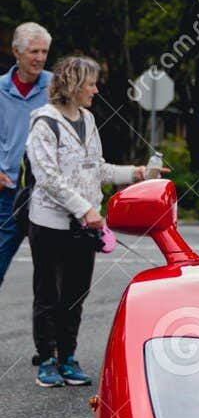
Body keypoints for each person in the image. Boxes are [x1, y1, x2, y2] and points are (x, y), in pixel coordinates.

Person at [25, 55, 154, 388]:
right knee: (48, 295)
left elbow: (96, 168)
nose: (96, 90)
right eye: (91, 83)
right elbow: (48, 178)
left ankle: (68, 356)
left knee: (75, 295)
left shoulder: (88, 119)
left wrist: (136, 173)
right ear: (73, 84)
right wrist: (85, 208)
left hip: (85, 227)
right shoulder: (45, 123)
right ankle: (47, 359)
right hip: (50, 223)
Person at [0, 22, 52, 292]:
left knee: (49, 277)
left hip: (45, 195)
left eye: (44, 51)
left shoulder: (56, 88)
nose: (40, 58)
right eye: (33, 51)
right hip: (5, 195)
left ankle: (51, 335)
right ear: (16, 52)